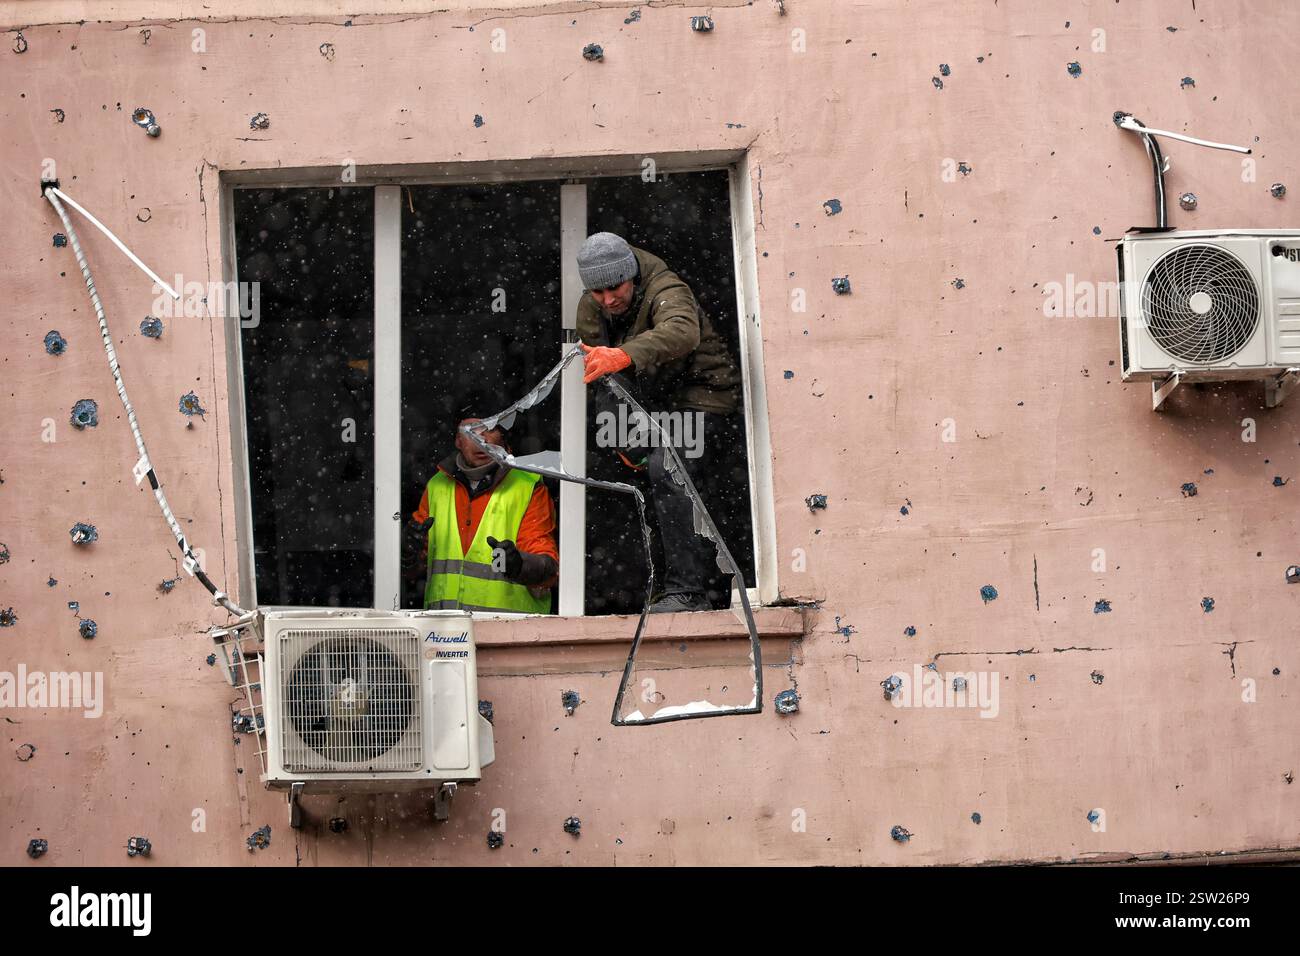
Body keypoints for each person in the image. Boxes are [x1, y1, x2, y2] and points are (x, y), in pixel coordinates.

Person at [574, 231, 743, 613]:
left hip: (704, 397)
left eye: (615, 287)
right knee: (625, 480)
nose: (607, 299)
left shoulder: (667, 287)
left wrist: (624, 355)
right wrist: (619, 433)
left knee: (668, 471)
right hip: (653, 405)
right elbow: (602, 375)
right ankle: (645, 589)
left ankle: (689, 591)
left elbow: (681, 332)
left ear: (631, 274)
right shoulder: (591, 306)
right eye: (598, 292)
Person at [406, 399, 557, 613]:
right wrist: (407, 553)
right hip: (444, 637)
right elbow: (412, 570)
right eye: (471, 431)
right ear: (458, 440)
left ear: (503, 436)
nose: (480, 440)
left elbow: (549, 572)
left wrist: (520, 564)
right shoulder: (437, 486)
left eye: (489, 429)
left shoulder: (528, 485)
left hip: (508, 635)